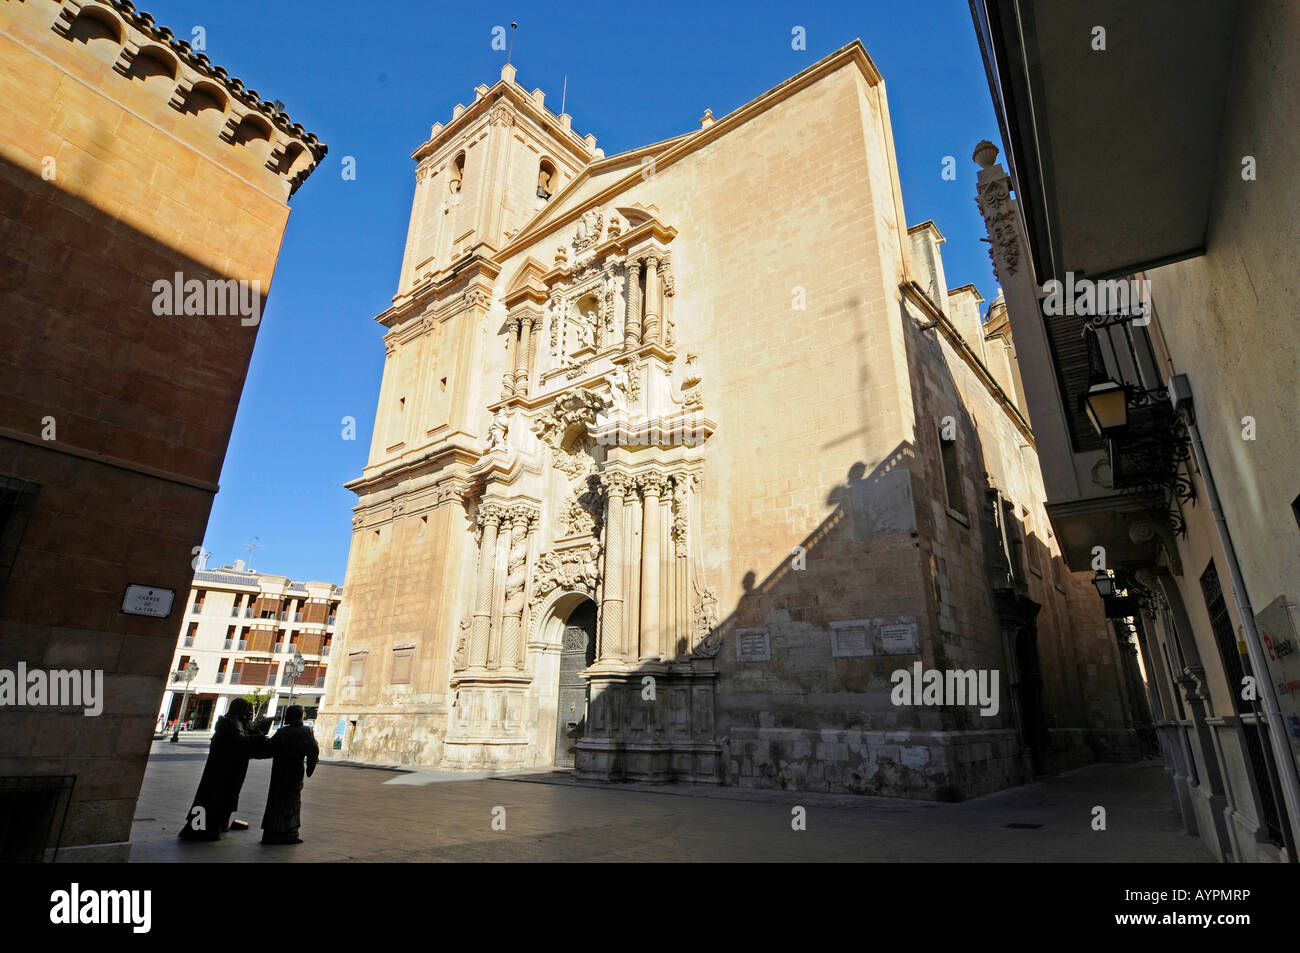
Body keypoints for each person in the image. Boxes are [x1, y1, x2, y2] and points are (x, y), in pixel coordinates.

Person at [178, 697, 272, 841]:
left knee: (226, 797)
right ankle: (203, 829)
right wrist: (257, 739)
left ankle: (220, 824)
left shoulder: (237, 723)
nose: (249, 714)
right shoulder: (230, 725)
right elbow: (238, 743)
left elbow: (247, 736)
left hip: (231, 770)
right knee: (215, 798)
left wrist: (258, 731)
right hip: (221, 772)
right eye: (247, 710)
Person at [260, 705, 319, 845]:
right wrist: (310, 767)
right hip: (294, 772)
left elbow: (268, 749)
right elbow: (313, 750)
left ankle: (271, 832)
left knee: (276, 801)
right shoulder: (306, 732)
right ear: (300, 716)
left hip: (280, 771)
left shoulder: (282, 732)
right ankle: (289, 833)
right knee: (292, 801)